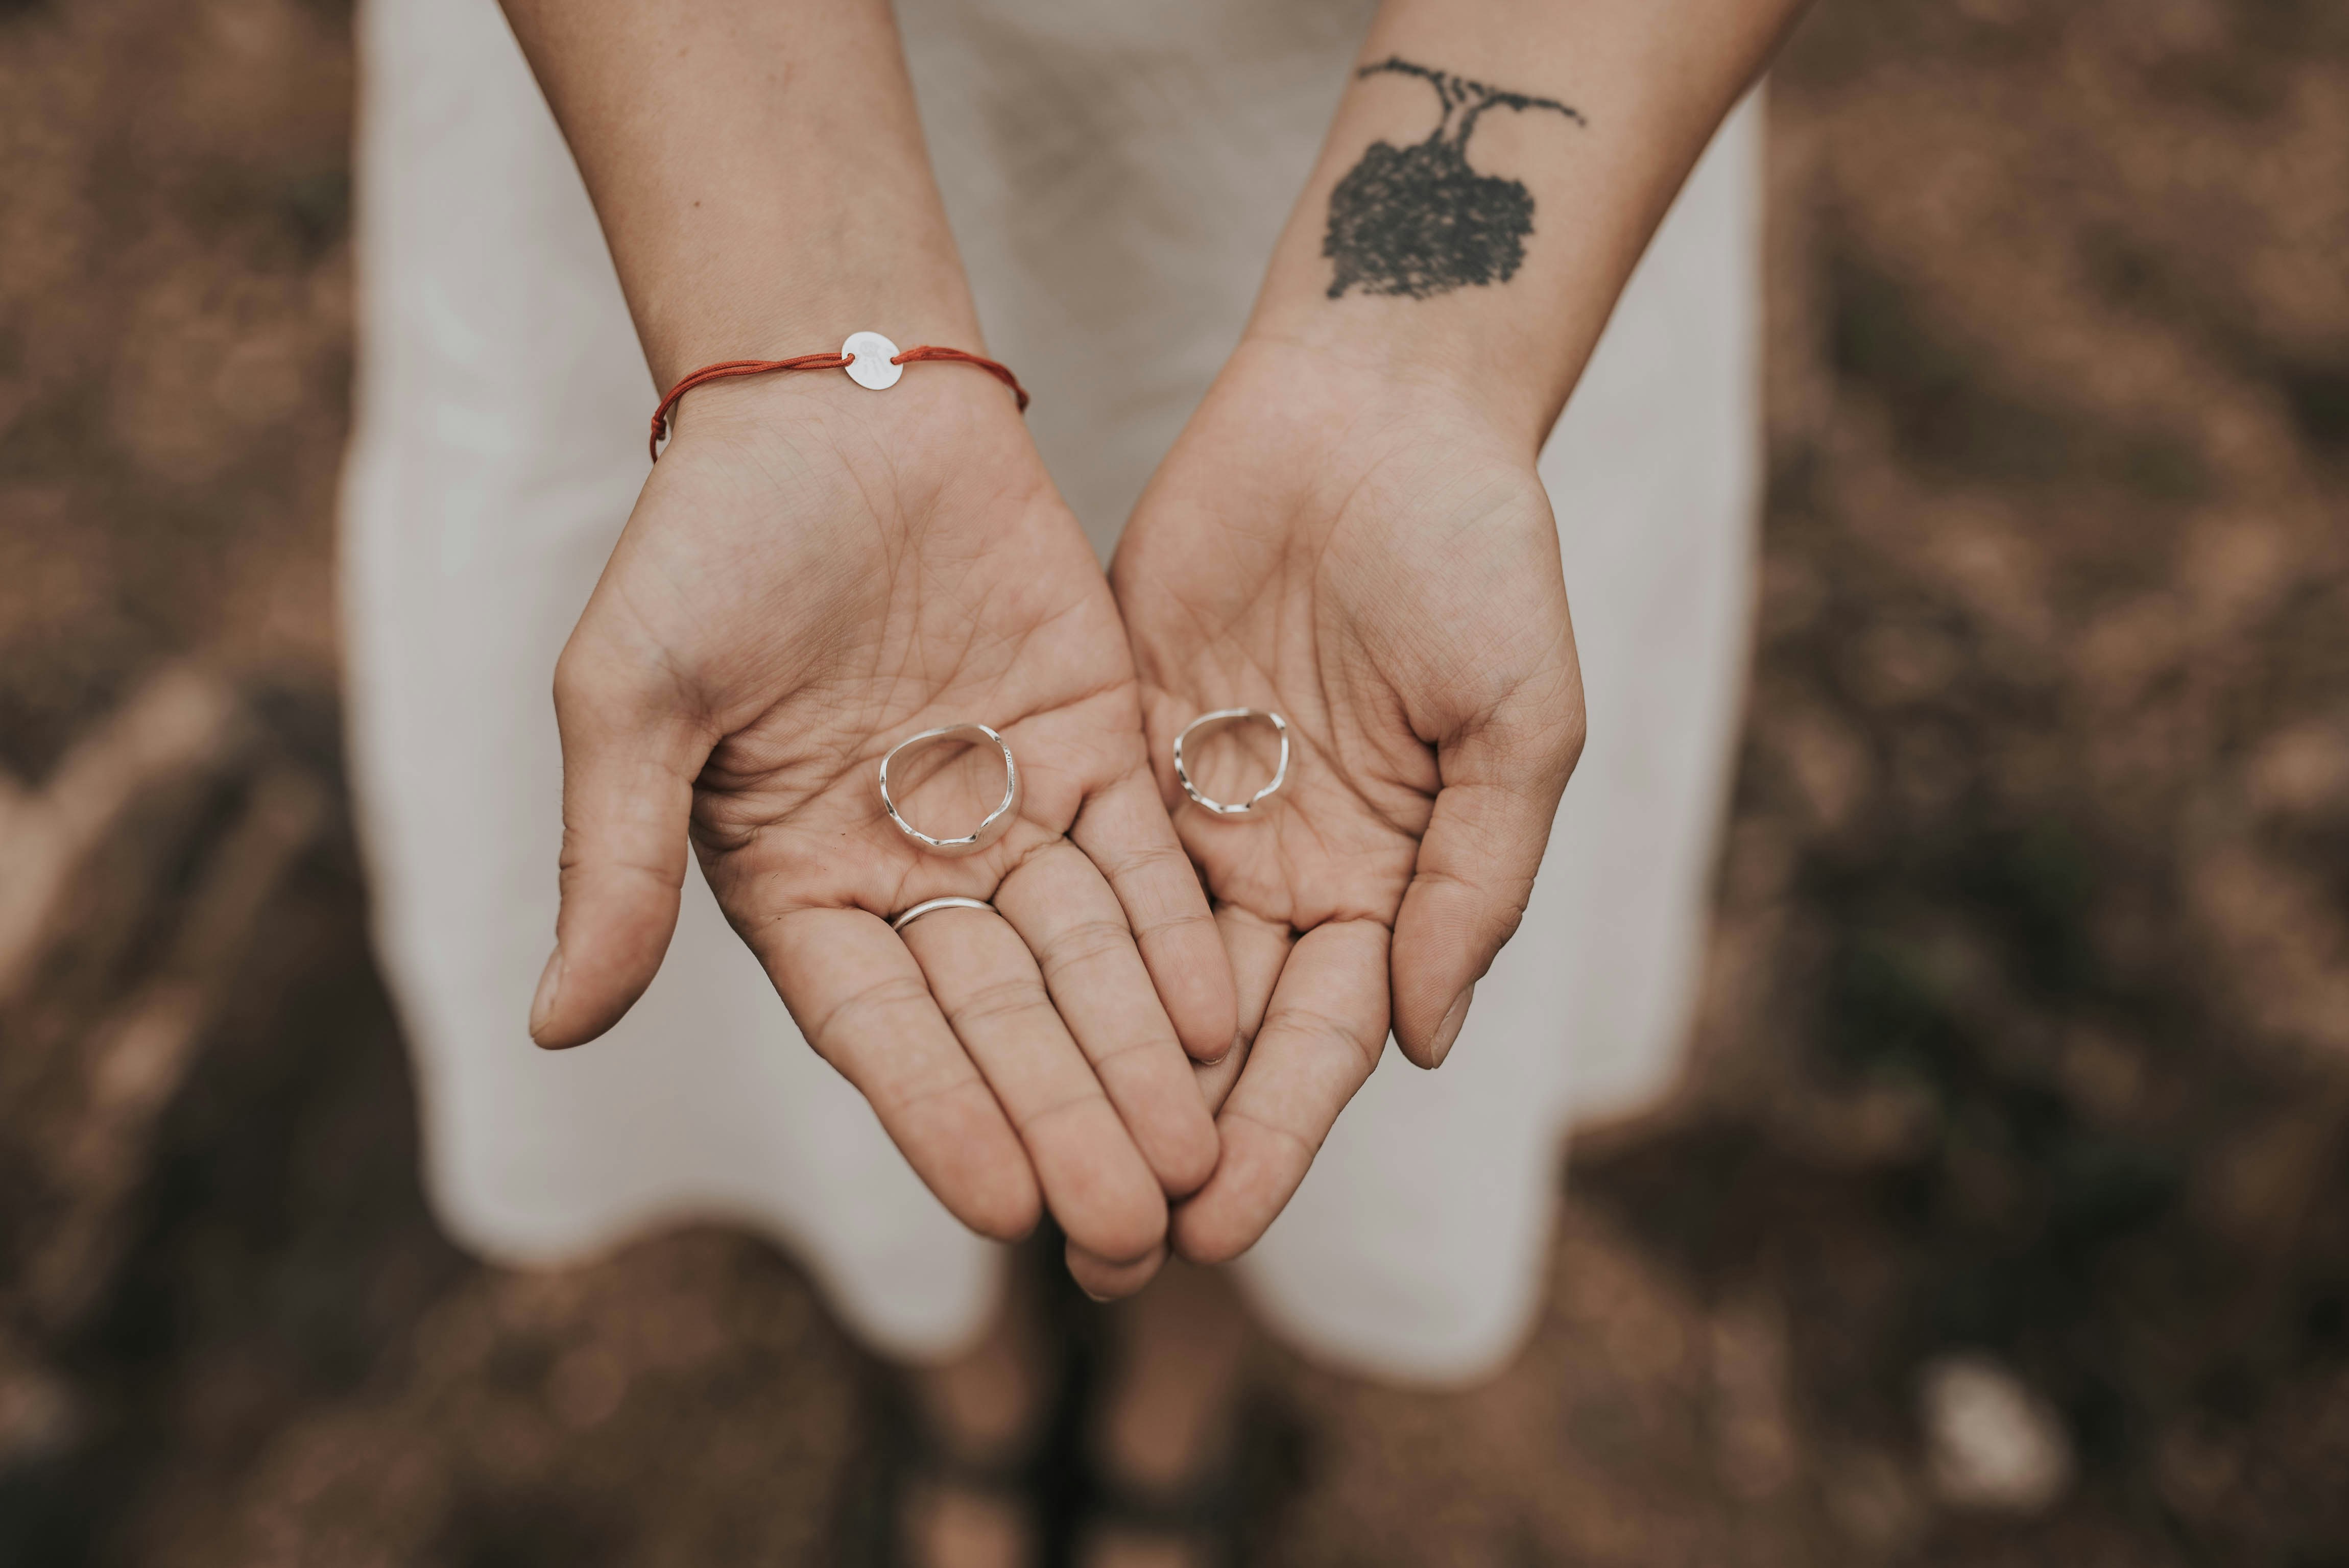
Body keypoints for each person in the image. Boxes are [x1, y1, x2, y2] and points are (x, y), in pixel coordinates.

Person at [340, 0, 1805, 1561]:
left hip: (1517, 111)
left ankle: (1178, 1398)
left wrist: (1421, 378)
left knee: (1304, 922)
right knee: (856, 901)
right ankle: (962, 1378)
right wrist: (794, 340)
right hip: (691, 101)